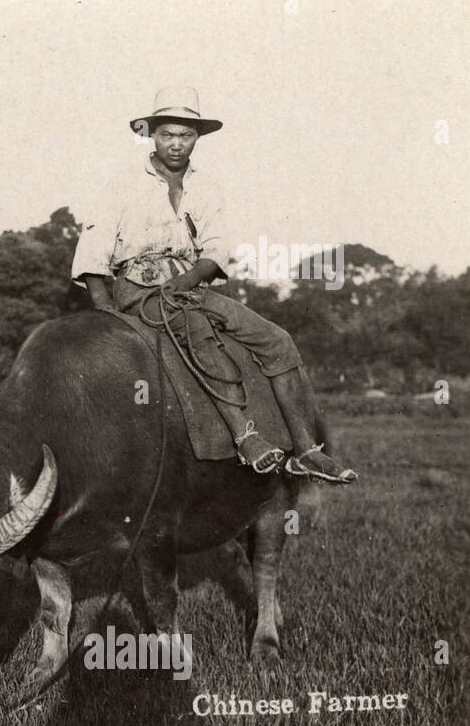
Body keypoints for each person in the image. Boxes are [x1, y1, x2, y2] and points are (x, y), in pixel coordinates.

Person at [71, 86, 356, 483]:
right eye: (167, 134)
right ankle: (245, 437)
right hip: (139, 288)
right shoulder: (122, 185)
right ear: (151, 135)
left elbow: (217, 248)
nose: (176, 144)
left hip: (190, 287)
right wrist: (105, 315)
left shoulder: (207, 187)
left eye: (185, 136)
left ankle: (306, 449)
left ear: (197, 138)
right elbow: (93, 252)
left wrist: (186, 280)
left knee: (276, 340)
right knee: (196, 329)